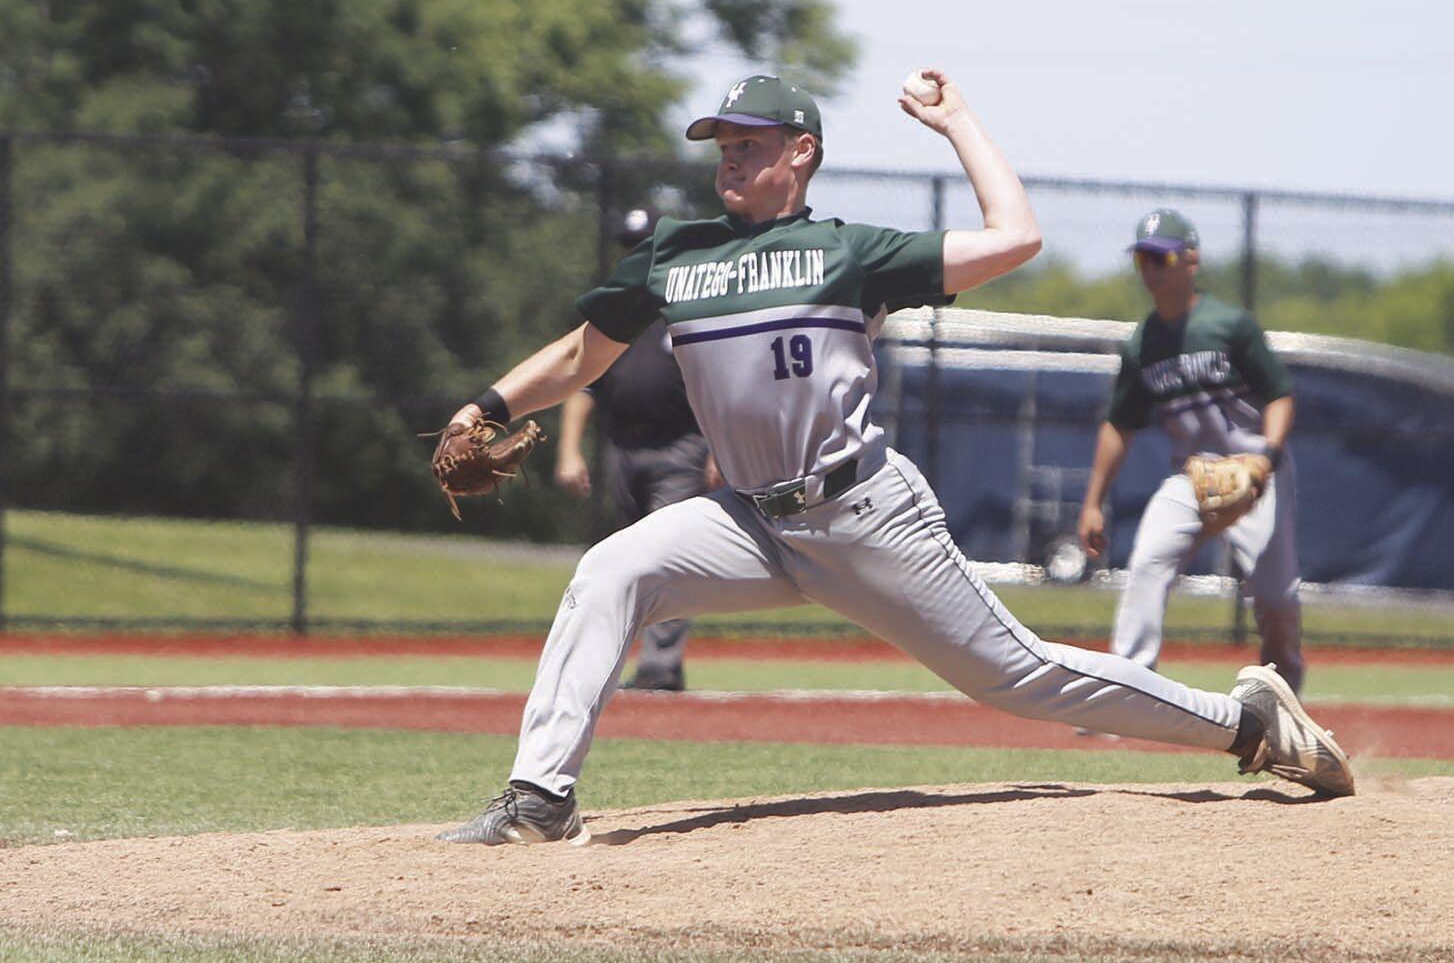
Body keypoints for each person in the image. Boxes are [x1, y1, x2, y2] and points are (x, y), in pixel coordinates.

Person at [436, 73, 1353, 847]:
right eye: (720, 141)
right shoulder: (676, 257)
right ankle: (540, 800)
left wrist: (958, 125)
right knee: (611, 569)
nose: (728, 154)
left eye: (750, 140)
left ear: (802, 152)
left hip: (863, 515)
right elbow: (579, 355)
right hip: (753, 520)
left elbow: (1016, 238)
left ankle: (1248, 722)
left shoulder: (850, 253)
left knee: (1021, 676)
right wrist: (486, 407)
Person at [1076, 209, 1307, 694]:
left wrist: (1267, 456)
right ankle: (1128, 690)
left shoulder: (1229, 325)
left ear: (1191, 260)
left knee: (1274, 597)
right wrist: (1094, 501)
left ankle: (1284, 691)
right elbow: (1120, 424)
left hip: (1254, 472)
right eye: (1143, 258)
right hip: (1191, 477)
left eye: (1161, 257)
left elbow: (1280, 395)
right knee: (1147, 562)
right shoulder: (1142, 344)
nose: (1151, 269)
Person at [552, 207, 718, 692]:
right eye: (631, 246)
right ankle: (603, 664)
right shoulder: (613, 314)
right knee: (618, 559)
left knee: (671, 555)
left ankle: (661, 667)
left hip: (681, 448)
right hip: (621, 448)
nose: (638, 256)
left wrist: (717, 450)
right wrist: (568, 451)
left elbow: (716, 388)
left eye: (646, 245)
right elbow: (582, 385)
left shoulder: (688, 309)